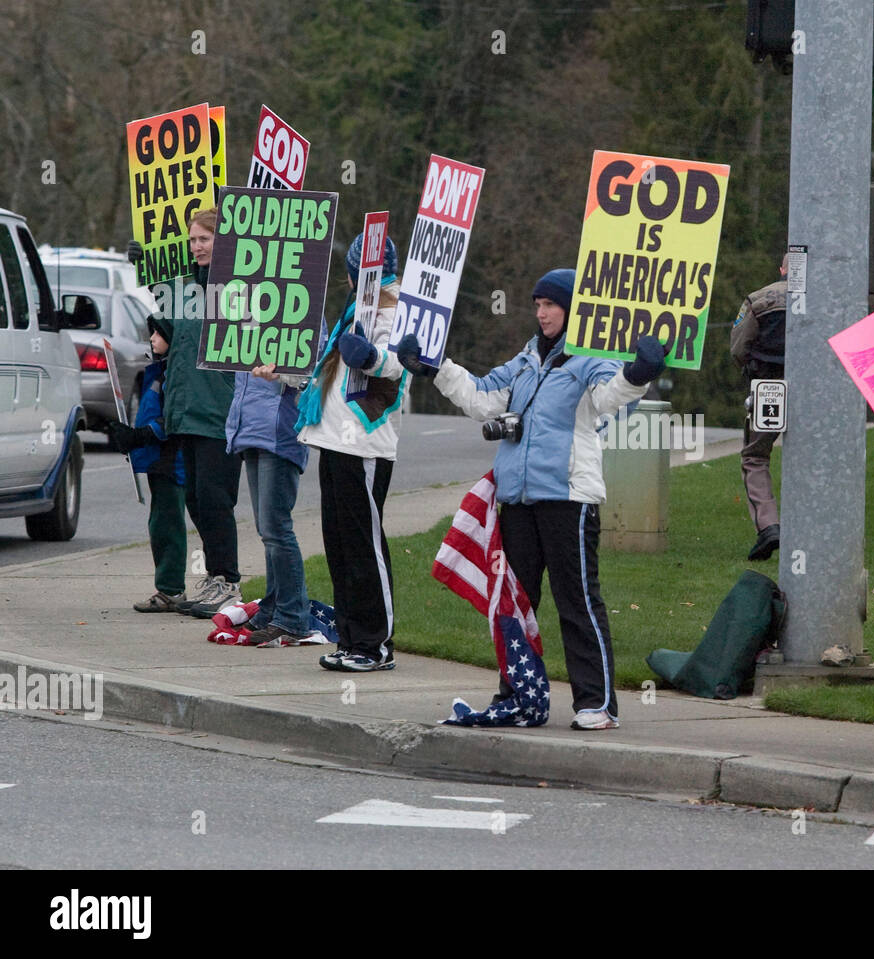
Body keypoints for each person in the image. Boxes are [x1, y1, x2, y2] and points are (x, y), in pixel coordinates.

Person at [397, 268, 665, 729]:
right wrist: (434, 367)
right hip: (517, 502)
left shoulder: (591, 361)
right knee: (515, 604)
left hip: (569, 500)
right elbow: (482, 398)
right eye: (537, 304)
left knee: (577, 600)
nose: (541, 313)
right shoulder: (524, 361)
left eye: (551, 304)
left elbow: (611, 396)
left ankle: (596, 704)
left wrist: (640, 371)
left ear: (573, 309)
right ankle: (517, 696)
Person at [289, 233, 406, 672]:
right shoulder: (356, 309)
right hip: (333, 440)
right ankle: (352, 638)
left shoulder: (397, 308)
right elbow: (328, 376)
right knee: (339, 546)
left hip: (367, 445)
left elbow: (399, 364)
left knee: (365, 548)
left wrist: (372, 356)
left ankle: (376, 645)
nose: (358, 279)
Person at [130, 207, 243, 618]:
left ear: (223, 242)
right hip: (186, 413)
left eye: (204, 239)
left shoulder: (238, 288)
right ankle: (215, 578)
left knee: (215, 500)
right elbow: (169, 336)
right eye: (192, 240)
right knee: (196, 498)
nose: (196, 246)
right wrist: (147, 267)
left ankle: (227, 581)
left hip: (220, 414)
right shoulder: (184, 291)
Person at [227, 352, 311, 645]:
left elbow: (313, 369)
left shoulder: (303, 310)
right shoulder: (247, 317)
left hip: (279, 431)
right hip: (250, 428)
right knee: (267, 530)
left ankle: (292, 618)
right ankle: (273, 608)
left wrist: (282, 375)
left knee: (276, 529)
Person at [106, 316, 187, 612]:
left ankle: (171, 590)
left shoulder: (175, 374)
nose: (152, 338)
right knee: (161, 523)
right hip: (157, 460)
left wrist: (141, 435)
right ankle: (169, 587)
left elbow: (173, 417)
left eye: (158, 333)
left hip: (171, 461)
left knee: (168, 524)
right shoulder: (158, 371)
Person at [731, 255, 787, 560]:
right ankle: (810, 530)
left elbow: (739, 346)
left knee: (754, 456)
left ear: (781, 270)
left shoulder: (758, 299)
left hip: (769, 389)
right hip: (815, 393)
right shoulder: (827, 300)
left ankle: (768, 527)